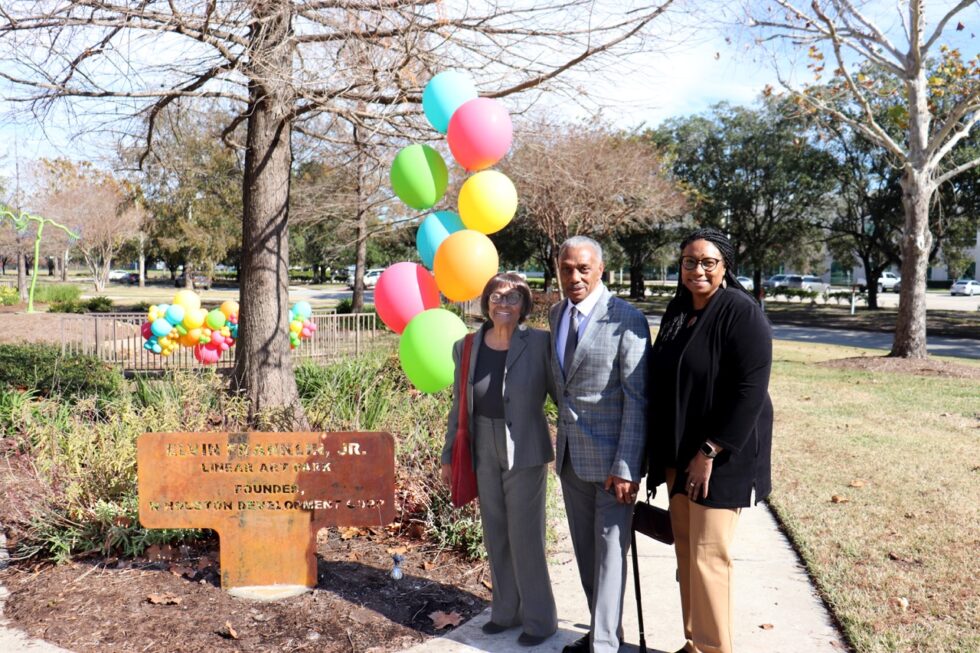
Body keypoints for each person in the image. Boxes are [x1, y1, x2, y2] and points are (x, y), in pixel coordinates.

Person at [646, 228, 773, 653]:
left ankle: (716, 649)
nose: (697, 270)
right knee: (686, 556)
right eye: (689, 262)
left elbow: (750, 391)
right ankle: (694, 642)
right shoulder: (679, 310)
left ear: (724, 267)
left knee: (708, 557)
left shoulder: (741, 312)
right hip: (679, 453)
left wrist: (708, 452)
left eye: (707, 262)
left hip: (719, 456)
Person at [442, 272, 558, 647]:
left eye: (511, 298)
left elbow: (561, 396)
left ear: (524, 305)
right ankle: (505, 612)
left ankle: (540, 622)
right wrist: (449, 455)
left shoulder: (540, 343)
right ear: (486, 303)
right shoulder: (468, 346)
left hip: (524, 447)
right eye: (496, 297)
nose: (503, 304)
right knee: (495, 533)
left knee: (525, 537)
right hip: (482, 447)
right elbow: (459, 405)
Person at [549, 236, 650, 653]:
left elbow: (638, 398)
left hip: (613, 466)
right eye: (567, 268)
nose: (574, 276)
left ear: (601, 269)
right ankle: (602, 630)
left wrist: (627, 466)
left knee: (611, 557)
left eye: (583, 269)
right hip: (571, 459)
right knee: (588, 556)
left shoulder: (626, 318)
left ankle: (604, 647)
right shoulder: (556, 314)